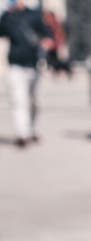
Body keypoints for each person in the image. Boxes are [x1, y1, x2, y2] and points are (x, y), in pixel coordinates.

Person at [0, 0, 53, 148]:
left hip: (33, 64)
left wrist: (47, 42)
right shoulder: (7, 17)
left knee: (35, 102)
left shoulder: (34, 15)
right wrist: (6, 15)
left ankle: (33, 129)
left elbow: (48, 33)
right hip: (15, 65)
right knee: (18, 100)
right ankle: (22, 134)